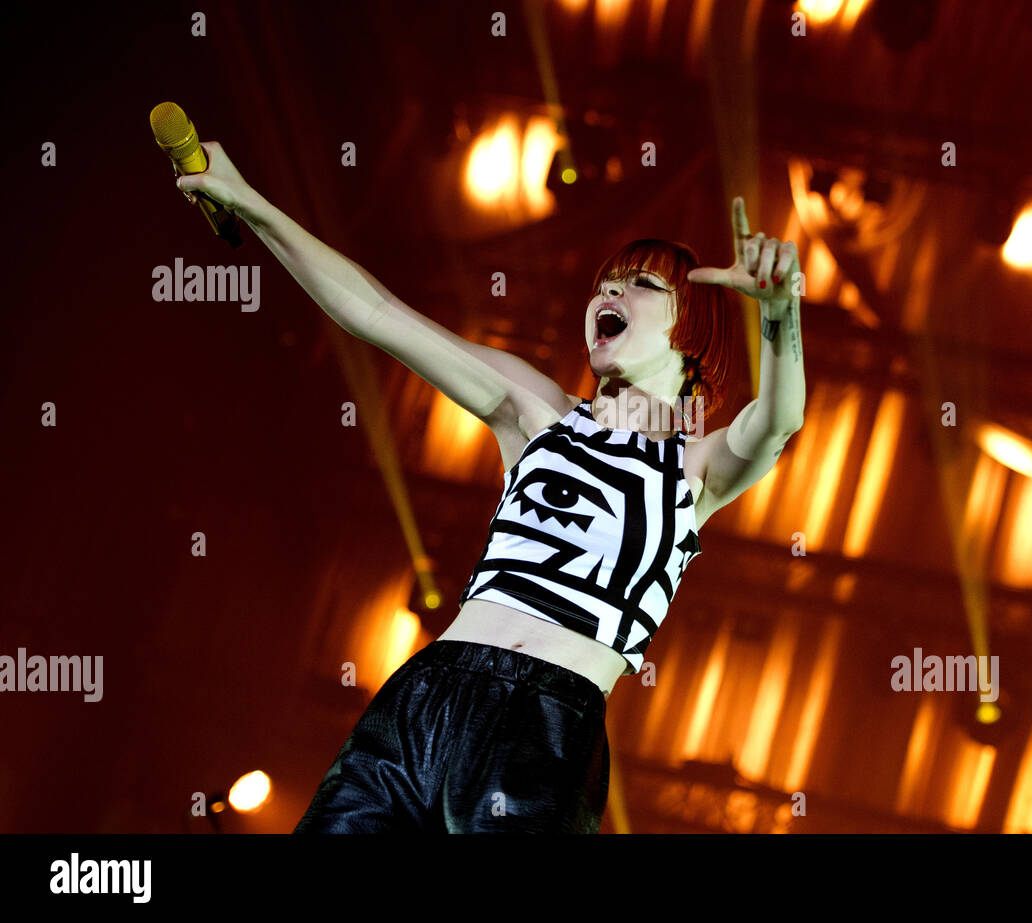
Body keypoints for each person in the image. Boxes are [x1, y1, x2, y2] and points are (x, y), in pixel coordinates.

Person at [176, 142, 806, 832]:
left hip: (541, 730)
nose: (610, 293)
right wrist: (246, 199)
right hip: (423, 702)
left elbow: (777, 421)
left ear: (693, 334)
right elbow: (378, 312)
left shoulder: (695, 467)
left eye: (642, 285)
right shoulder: (538, 411)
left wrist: (779, 317)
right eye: (607, 283)